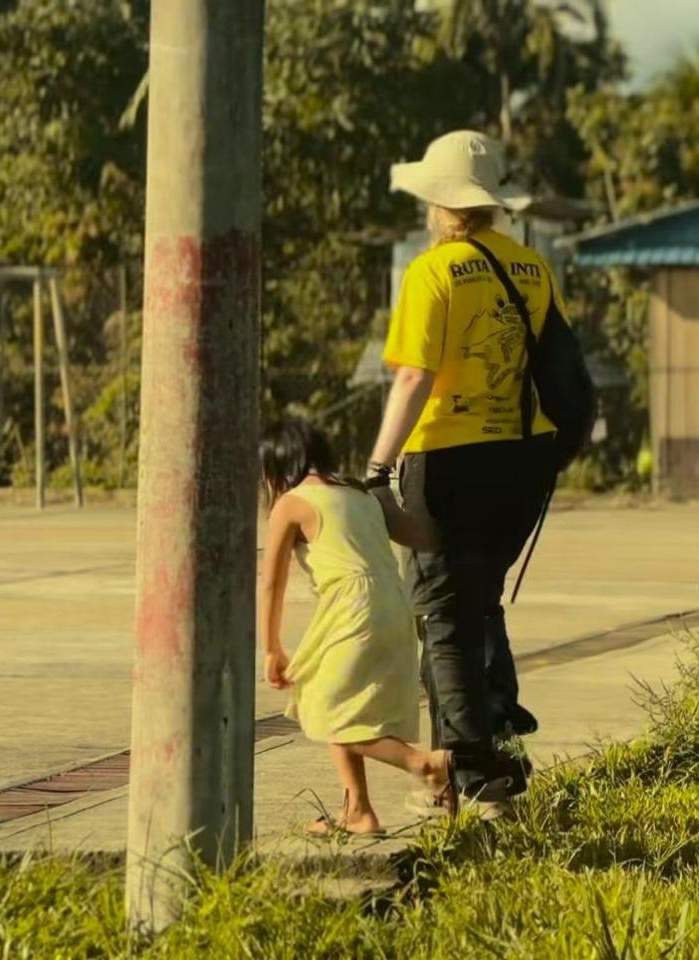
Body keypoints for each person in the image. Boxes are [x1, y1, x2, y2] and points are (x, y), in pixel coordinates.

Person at [368, 130, 567, 815]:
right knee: (478, 603)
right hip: (522, 461)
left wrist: (378, 466)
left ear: (439, 203)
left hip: (449, 461)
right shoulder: (532, 269)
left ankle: (475, 776)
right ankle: (479, 759)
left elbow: (413, 378)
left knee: (443, 615)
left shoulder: (433, 272)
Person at [257, 419, 451, 834]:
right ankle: (358, 810)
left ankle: (424, 765)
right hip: (394, 601)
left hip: (353, 607)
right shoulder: (360, 494)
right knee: (337, 698)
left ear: (275, 466)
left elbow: (271, 582)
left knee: (327, 708)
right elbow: (414, 535)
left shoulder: (290, 504)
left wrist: (271, 648)